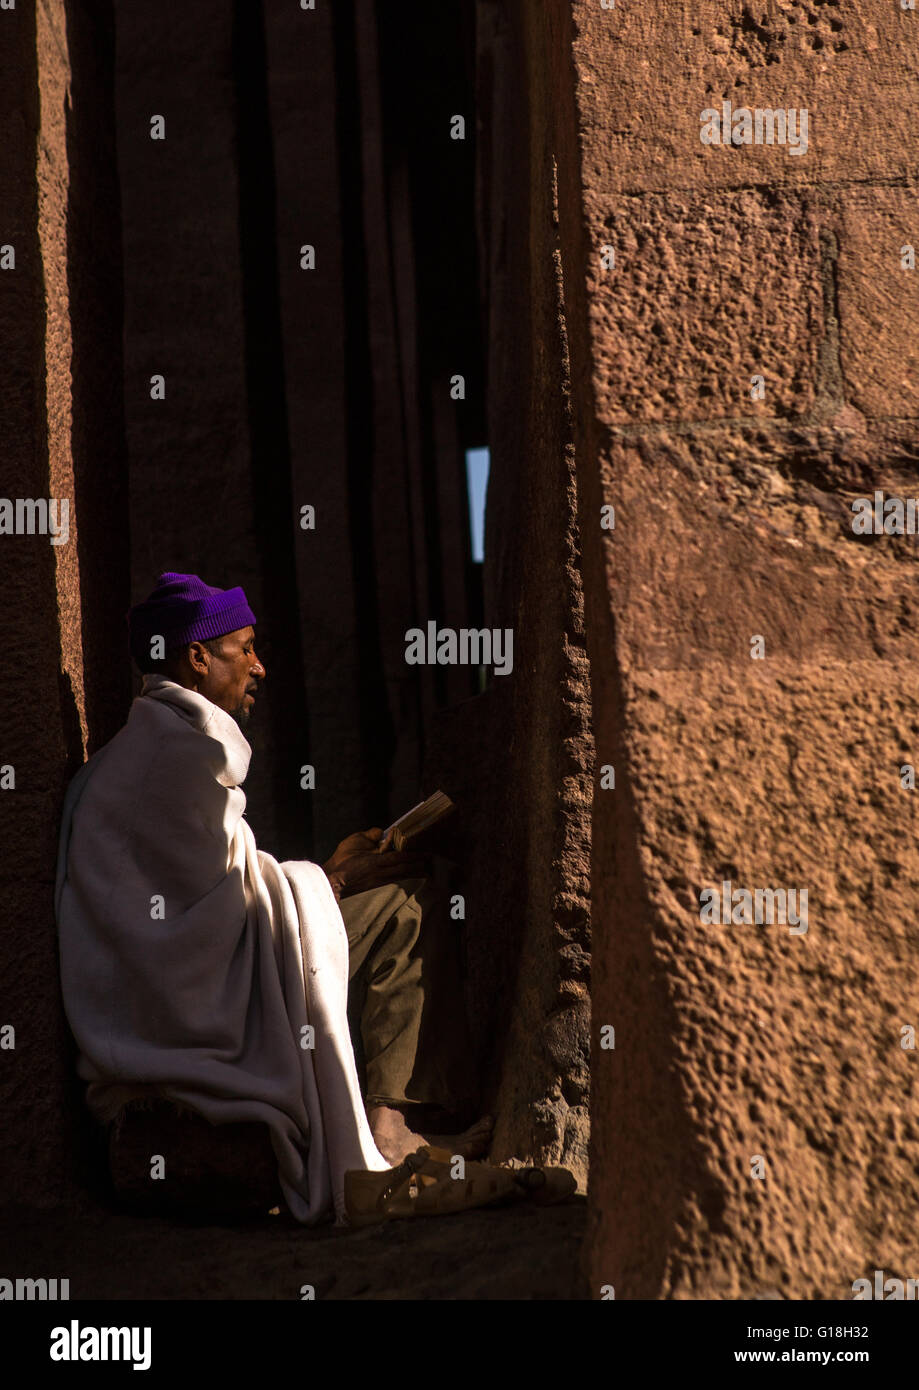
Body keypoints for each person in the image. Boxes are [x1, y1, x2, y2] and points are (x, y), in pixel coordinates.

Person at [55, 571, 491, 1225]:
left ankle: (389, 1120)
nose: (260, 667)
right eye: (246, 647)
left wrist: (328, 871)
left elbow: (216, 894)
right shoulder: (173, 757)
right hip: (186, 1006)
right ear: (197, 657)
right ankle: (392, 1130)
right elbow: (218, 922)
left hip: (182, 987)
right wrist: (336, 880)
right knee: (404, 907)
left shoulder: (145, 751)